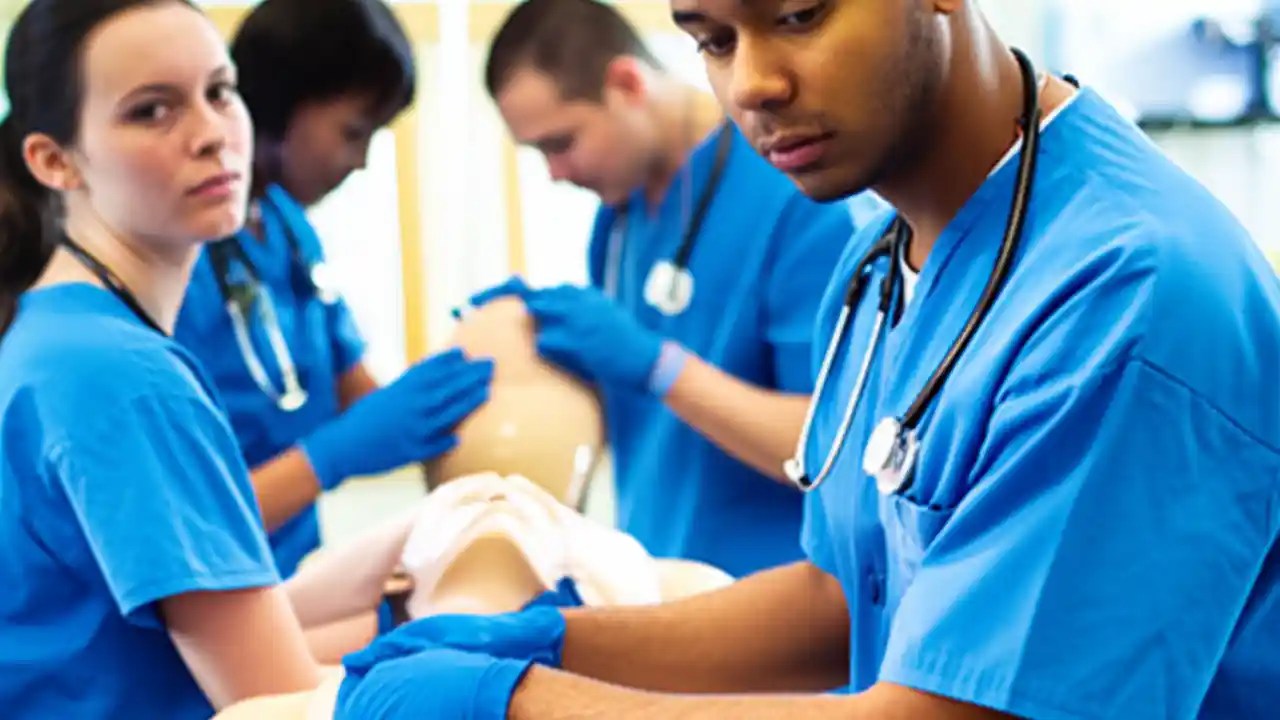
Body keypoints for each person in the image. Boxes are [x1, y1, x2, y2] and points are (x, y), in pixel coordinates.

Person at [330, 0, 1280, 718]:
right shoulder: (883, 265)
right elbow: (841, 599)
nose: (752, 85)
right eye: (712, 39)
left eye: (798, 14)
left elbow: (959, 711)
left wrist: (517, 702)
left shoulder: (1125, 296)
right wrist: (556, 640)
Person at [0, 1, 409, 716]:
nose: (212, 134)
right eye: (152, 111)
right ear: (55, 161)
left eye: (220, 92)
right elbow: (281, 707)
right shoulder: (121, 377)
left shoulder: (60, 335)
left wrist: (415, 612)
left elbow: (139, 650)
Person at [471, 0, 881, 578]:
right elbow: (646, 422)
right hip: (661, 589)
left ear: (626, 82)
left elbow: (832, 447)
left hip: (779, 612)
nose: (555, 174)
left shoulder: (802, 192)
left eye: (560, 143)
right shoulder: (618, 222)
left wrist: (659, 367)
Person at [174, 0, 493, 580]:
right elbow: (183, 520)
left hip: (286, 577)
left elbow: (360, 394)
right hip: (202, 583)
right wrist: (329, 456)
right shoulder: (175, 261)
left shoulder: (288, 229)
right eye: (353, 132)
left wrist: (468, 386)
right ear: (278, 102)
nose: (363, 162)